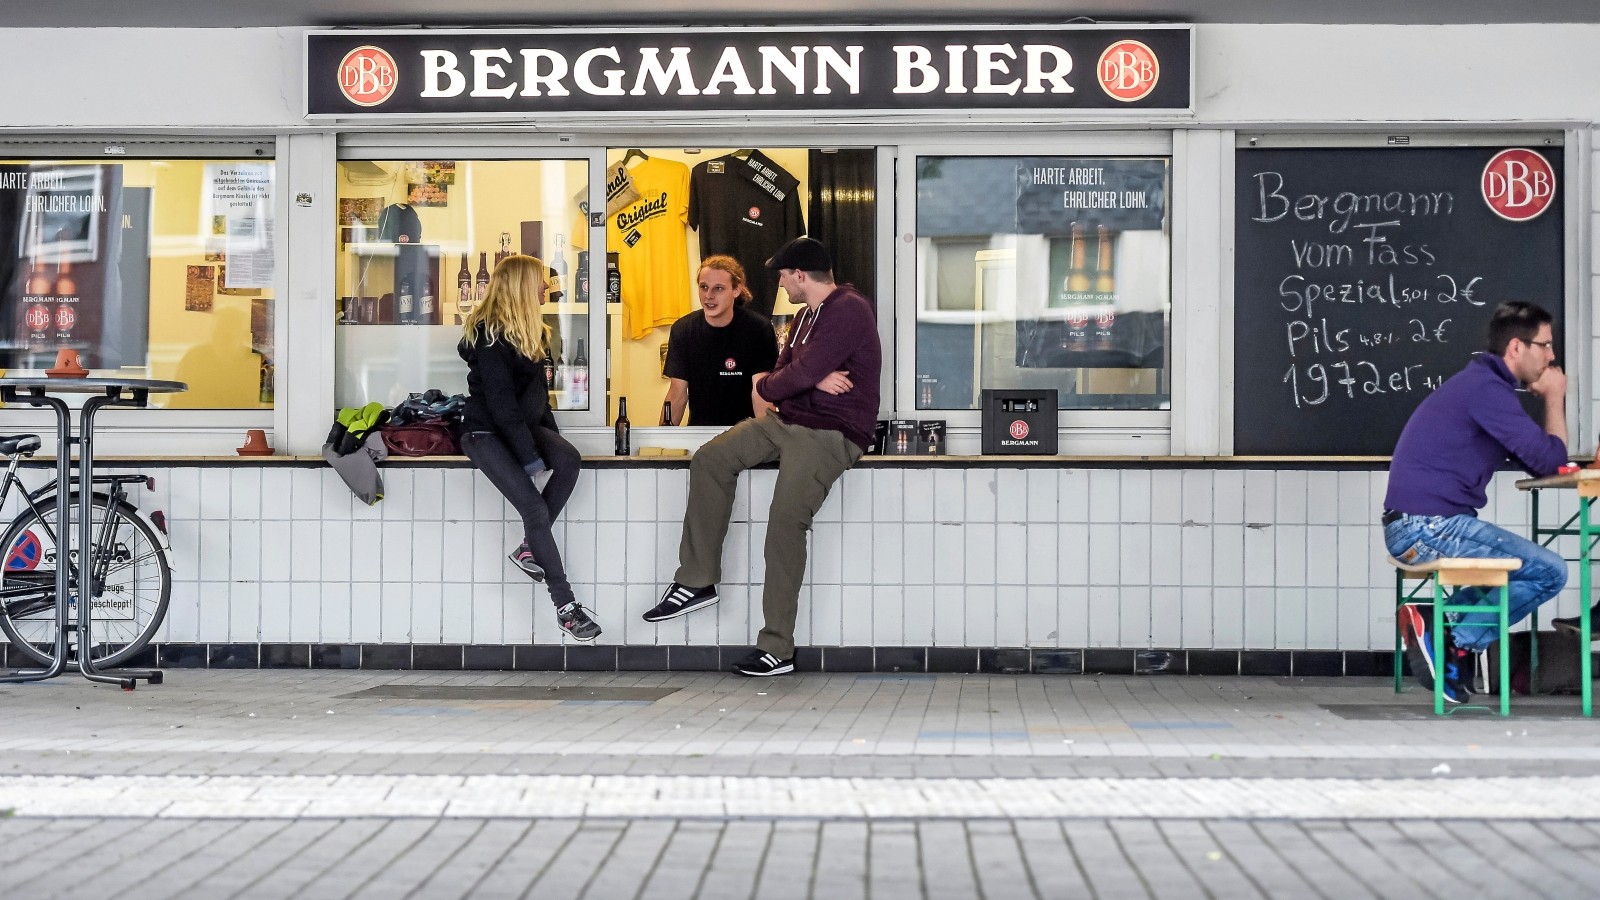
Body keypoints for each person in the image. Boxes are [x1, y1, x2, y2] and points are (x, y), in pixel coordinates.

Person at [643, 237, 880, 676]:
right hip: (787, 422)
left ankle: (777, 648)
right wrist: (800, 378)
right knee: (711, 460)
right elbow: (790, 368)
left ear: (801, 275)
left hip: (830, 432)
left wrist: (789, 381)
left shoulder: (848, 308)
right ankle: (697, 581)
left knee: (784, 524)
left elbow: (783, 378)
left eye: (784, 275)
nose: (781, 284)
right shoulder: (807, 314)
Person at [1384, 301, 1579, 703]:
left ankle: (1445, 633)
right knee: (1550, 571)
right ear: (1515, 348)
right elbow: (1552, 460)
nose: (1551, 356)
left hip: (1419, 524)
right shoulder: (1487, 391)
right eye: (1544, 345)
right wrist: (1555, 398)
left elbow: (1539, 459)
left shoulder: (1483, 387)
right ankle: (1449, 633)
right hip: (1429, 526)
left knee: (1522, 570)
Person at [458, 254, 602, 641]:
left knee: (570, 459)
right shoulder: (488, 334)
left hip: (519, 426)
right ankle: (566, 607)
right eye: (540, 281)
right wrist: (531, 458)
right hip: (485, 433)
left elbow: (536, 400)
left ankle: (527, 549)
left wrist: (552, 444)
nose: (545, 287)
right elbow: (502, 403)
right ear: (522, 286)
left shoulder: (533, 332)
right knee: (534, 508)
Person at [662, 255, 780, 426]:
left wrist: (770, 441)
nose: (708, 296)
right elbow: (677, 393)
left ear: (736, 290)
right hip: (700, 434)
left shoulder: (758, 329)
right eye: (704, 287)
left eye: (718, 288)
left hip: (745, 433)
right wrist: (662, 442)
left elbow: (760, 391)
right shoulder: (683, 330)